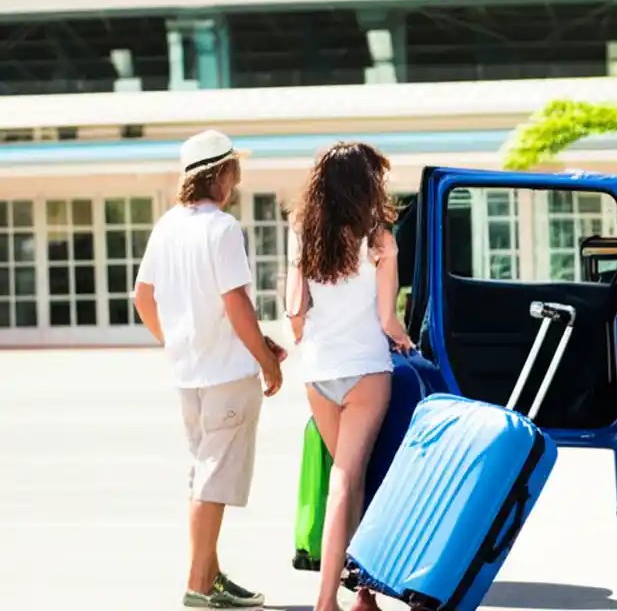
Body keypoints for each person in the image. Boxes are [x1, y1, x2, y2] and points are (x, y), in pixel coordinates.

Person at [134, 129, 286, 609]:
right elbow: (236, 302)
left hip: (190, 376)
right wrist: (266, 362)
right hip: (226, 376)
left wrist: (178, 341)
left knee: (204, 478)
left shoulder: (167, 226)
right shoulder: (222, 229)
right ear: (220, 174)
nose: (237, 178)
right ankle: (199, 584)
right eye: (234, 169)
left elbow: (143, 297)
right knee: (213, 481)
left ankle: (212, 576)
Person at [285, 142, 414, 611]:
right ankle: (326, 601)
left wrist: (310, 336)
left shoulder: (304, 230)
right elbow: (387, 318)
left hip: (318, 370)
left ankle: (362, 596)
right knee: (347, 478)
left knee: (352, 480)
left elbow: (294, 309)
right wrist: (406, 342)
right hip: (364, 371)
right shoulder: (378, 237)